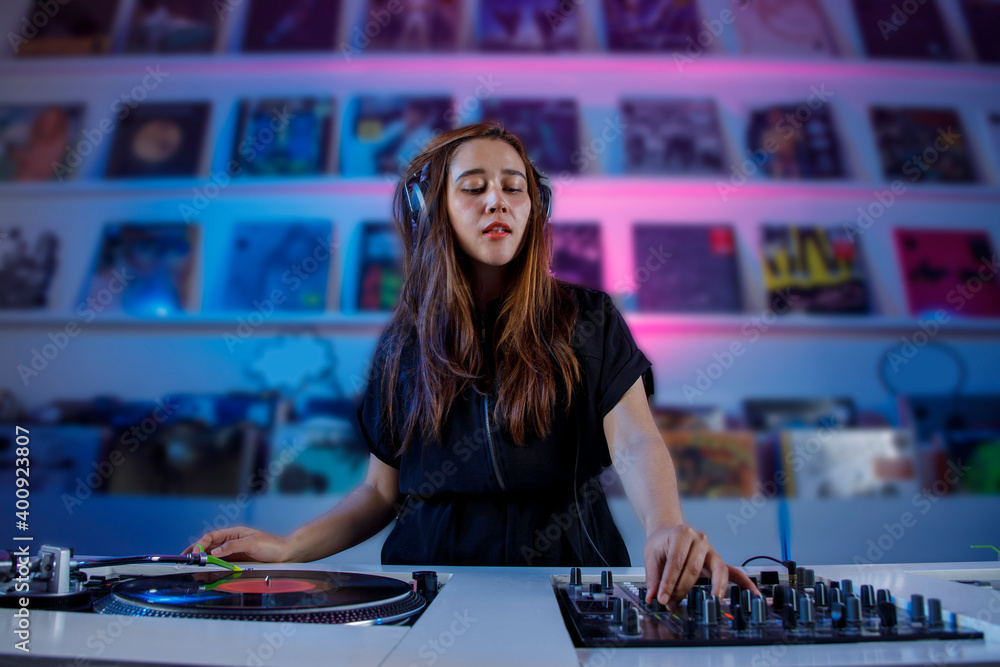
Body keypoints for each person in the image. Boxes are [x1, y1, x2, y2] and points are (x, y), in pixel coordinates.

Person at [183, 122, 758, 609]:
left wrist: (665, 525)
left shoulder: (589, 318)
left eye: (514, 188)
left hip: (567, 581)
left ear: (535, 209)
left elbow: (634, 439)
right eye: (474, 188)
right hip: (430, 586)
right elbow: (380, 493)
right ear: (436, 211)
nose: (497, 201)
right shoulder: (402, 346)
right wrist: (289, 549)